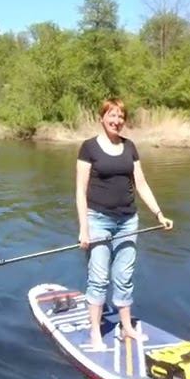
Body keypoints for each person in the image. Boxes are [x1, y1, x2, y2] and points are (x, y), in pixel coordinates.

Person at [75, 98, 174, 349]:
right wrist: (83, 229)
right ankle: (96, 332)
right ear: (102, 117)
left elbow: (140, 184)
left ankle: (126, 328)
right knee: (98, 278)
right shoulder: (88, 148)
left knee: (124, 276)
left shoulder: (130, 147)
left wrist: (159, 213)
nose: (117, 120)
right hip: (98, 220)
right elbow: (79, 191)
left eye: (121, 116)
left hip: (128, 221)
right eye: (112, 115)